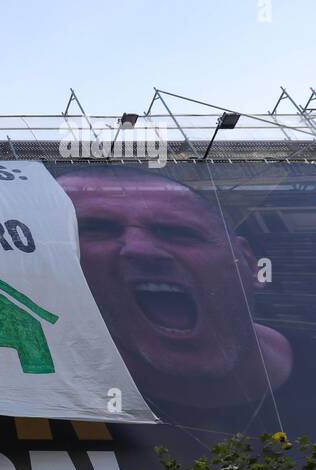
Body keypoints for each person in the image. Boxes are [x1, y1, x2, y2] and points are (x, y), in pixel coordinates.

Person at [56, 166, 316, 445]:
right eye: (96, 230)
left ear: (250, 263)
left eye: (176, 231)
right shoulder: (37, 404)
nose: (141, 249)